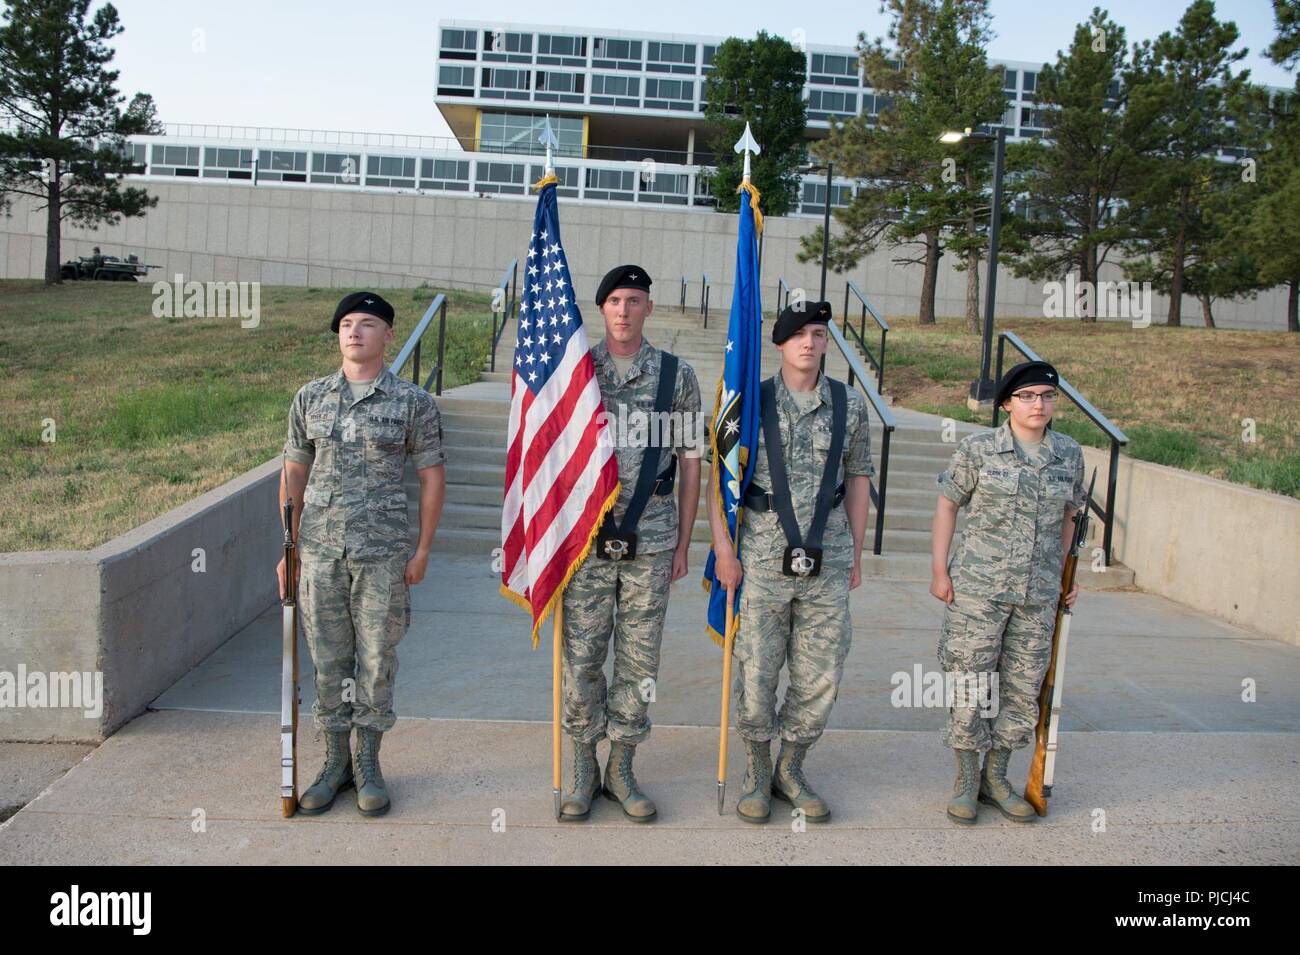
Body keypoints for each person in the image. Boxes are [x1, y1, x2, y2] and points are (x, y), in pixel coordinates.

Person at [278, 291, 446, 817]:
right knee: (328, 661)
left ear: (388, 335)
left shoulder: (413, 403)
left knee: (376, 660)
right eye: (347, 324)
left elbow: (431, 476)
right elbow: (294, 473)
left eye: (367, 324)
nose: (354, 332)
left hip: (383, 558)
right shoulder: (310, 398)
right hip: (321, 554)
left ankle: (369, 763)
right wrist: (288, 547)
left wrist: (421, 550)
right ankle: (335, 764)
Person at [708, 301, 874, 824]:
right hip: (759, 560)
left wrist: (857, 552)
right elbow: (721, 483)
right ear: (779, 344)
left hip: (827, 560)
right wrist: (724, 553)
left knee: (819, 673)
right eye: (798, 334)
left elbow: (859, 477)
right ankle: (757, 771)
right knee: (757, 671)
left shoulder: (848, 404)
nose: (809, 343)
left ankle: (792, 768)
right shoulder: (749, 403)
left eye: (819, 334)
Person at [559, 264, 702, 823]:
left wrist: (685, 544)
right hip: (585, 544)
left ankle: (621, 767)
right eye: (615, 300)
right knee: (583, 659)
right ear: (602, 309)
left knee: (640, 665)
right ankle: (582, 767)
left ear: (648, 308)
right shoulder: (575, 372)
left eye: (634, 300)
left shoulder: (677, 376)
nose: (623, 309)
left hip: (653, 540)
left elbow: (692, 464)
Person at [930, 359, 1086, 825]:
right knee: (969, 682)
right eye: (1028, 396)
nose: (1039, 405)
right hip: (978, 590)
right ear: (1006, 404)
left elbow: (1070, 518)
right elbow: (947, 506)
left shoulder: (1069, 454)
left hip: (1037, 596)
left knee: (1022, 688)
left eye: (1047, 396)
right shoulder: (979, 449)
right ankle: (965, 780)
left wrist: (1065, 578)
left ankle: (998, 779)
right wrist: (940, 570)